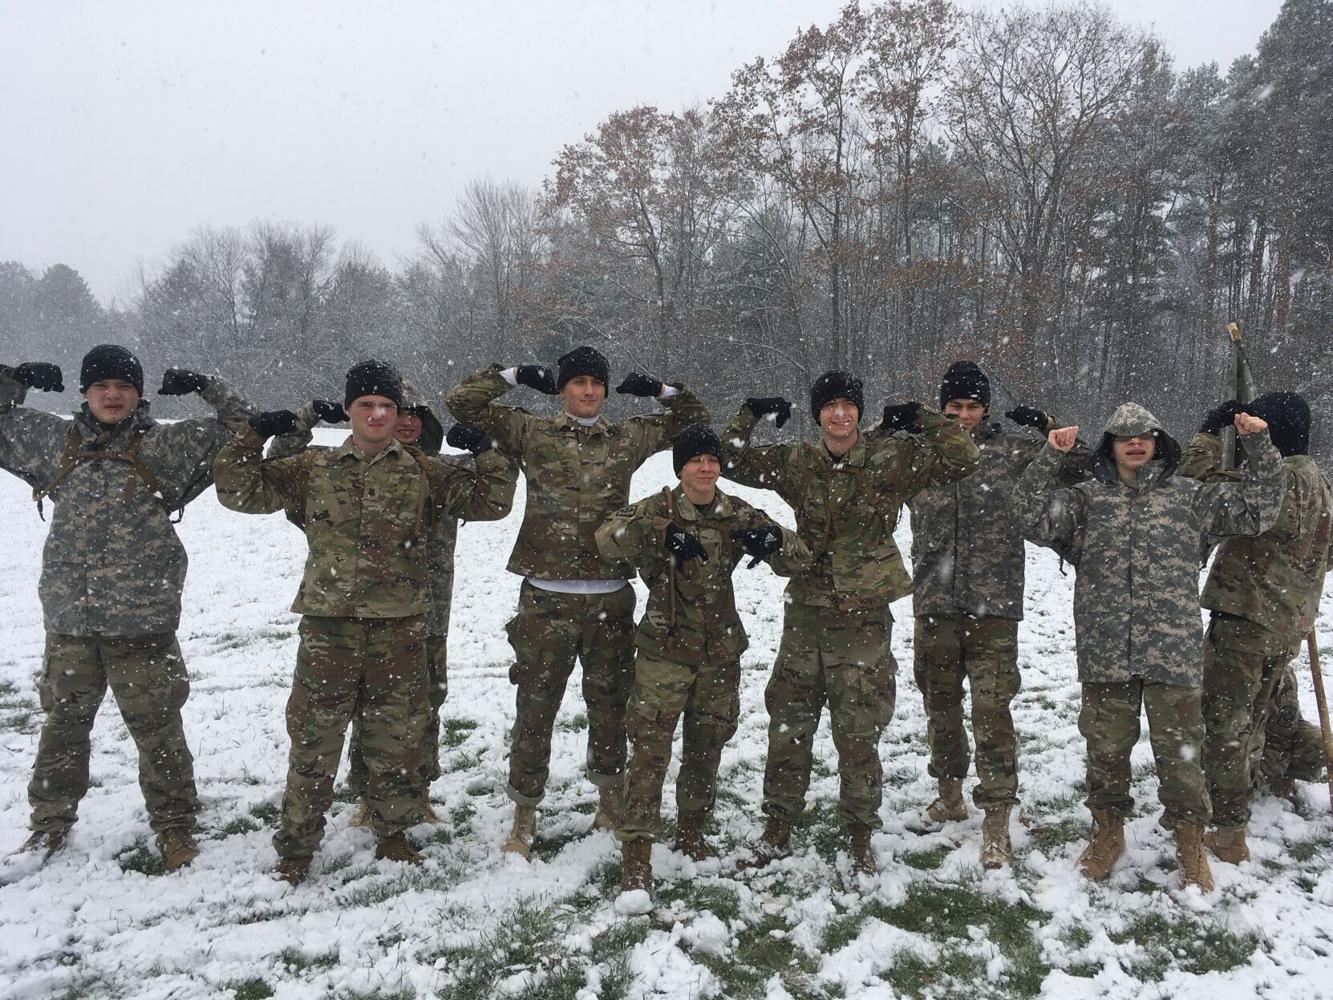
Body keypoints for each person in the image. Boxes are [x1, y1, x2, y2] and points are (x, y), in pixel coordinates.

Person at [213, 360, 515, 884]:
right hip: (330, 629)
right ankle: (297, 846)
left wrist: (489, 449)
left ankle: (392, 832)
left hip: (400, 629)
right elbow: (238, 490)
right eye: (366, 405)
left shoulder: (425, 471)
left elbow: (493, 502)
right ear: (350, 411)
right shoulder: (314, 467)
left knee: (393, 738)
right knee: (314, 741)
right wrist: (254, 432)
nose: (377, 414)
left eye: (386, 406)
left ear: (398, 413)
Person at [445, 346, 708, 858]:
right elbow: (462, 403)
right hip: (546, 597)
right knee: (536, 709)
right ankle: (524, 812)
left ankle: (609, 802)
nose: (588, 392)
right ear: (562, 389)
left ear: (606, 391)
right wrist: (515, 374)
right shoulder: (532, 433)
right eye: (577, 382)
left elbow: (694, 422)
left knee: (611, 707)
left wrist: (660, 390)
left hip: (611, 596)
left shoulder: (626, 438)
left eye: (596, 383)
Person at [1014, 403, 1285, 892]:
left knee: (1181, 756)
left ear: (1159, 442)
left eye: (1145, 436)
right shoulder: (1086, 501)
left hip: (1171, 651)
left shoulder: (1190, 498)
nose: (1135, 443)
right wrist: (1048, 457)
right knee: (1106, 750)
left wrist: (1258, 444)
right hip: (1105, 649)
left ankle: (1189, 845)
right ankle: (1107, 835)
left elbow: (1262, 510)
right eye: (1124, 436)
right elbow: (1028, 516)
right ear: (1110, 446)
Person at [0, 346, 253, 869]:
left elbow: (243, 427)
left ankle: (176, 826)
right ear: (86, 394)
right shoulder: (53, 441)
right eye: (101, 386)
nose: (112, 395)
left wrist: (206, 381)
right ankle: (49, 824)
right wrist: (13, 380)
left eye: (123, 386)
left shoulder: (166, 445)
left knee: (158, 729)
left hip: (144, 621)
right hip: (71, 620)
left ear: (138, 394)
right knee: (63, 726)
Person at [722, 372, 979, 874]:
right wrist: (749, 413)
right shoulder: (798, 461)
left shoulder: (893, 458)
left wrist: (926, 418)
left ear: (860, 412)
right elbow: (731, 459)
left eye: (848, 406)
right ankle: (778, 823)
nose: (840, 416)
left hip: (863, 614)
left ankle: (860, 831)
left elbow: (964, 458)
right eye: (830, 407)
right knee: (790, 723)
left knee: (859, 727)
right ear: (818, 414)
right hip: (808, 611)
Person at [267, 381, 503, 825]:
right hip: (354, 611)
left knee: (419, 708)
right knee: (359, 708)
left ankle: (416, 791)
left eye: (416, 414)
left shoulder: (437, 471)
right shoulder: (340, 471)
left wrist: (486, 443)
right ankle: (367, 796)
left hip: (425, 612)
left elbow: (493, 490)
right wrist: (300, 420)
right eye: (402, 411)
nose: (407, 419)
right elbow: (277, 469)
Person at [594, 424, 811, 906]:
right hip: (664, 652)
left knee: (707, 746)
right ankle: (637, 854)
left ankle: (691, 830)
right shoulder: (658, 508)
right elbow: (606, 538)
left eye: (712, 460)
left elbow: (800, 557)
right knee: (650, 751)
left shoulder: (735, 511)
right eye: (696, 461)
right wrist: (660, 533)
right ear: (681, 468)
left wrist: (769, 537)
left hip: (719, 652)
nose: (706, 468)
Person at [896, 360, 1088, 868]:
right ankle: (949, 790)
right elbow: (863, 450)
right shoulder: (921, 451)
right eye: (953, 407)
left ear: (985, 408)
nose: (963, 416)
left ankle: (997, 813)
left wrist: (1049, 425)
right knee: (939, 704)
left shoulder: (1014, 450)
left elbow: (1083, 463)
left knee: (991, 709)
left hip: (994, 604)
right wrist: (899, 420)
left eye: (972, 406)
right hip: (935, 600)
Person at [1178, 392, 1331, 862]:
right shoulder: (1319, 481)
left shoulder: (1272, 483)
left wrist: (1208, 431)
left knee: (1225, 722)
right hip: (1288, 623)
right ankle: (1287, 769)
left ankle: (1228, 830)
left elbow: (1193, 485)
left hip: (1247, 620)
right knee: (1269, 709)